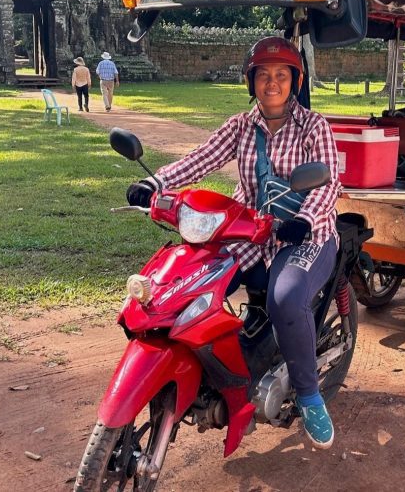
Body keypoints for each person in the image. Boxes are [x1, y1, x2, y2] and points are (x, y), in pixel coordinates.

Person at [125, 36, 343, 449]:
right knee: (189, 278)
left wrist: (304, 219)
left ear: (295, 82)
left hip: (304, 234)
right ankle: (216, 367)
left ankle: (309, 395)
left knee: (285, 299)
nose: (272, 83)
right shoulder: (240, 125)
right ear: (251, 81)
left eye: (282, 75)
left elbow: (328, 183)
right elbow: (201, 158)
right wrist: (156, 183)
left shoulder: (314, 126)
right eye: (263, 75)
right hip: (251, 230)